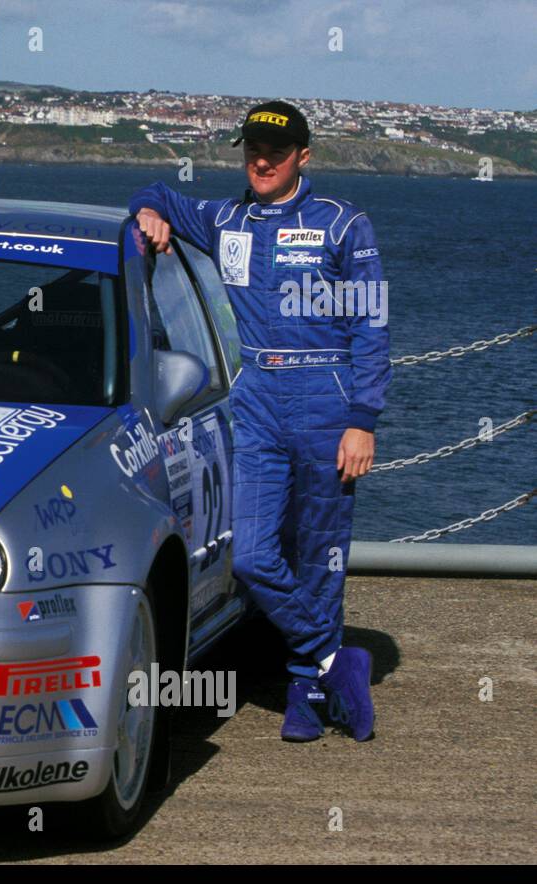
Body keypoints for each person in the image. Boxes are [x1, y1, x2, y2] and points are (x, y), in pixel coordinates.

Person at [129, 101, 390, 742]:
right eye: (253, 149)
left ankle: (306, 683)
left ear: (304, 155)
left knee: (319, 554)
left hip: (327, 398)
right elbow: (157, 189)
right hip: (259, 401)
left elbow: (372, 329)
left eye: (277, 150)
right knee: (251, 557)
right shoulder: (225, 219)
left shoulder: (342, 226)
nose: (263, 161)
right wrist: (148, 211)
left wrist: (363, 418)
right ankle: (337, 660)